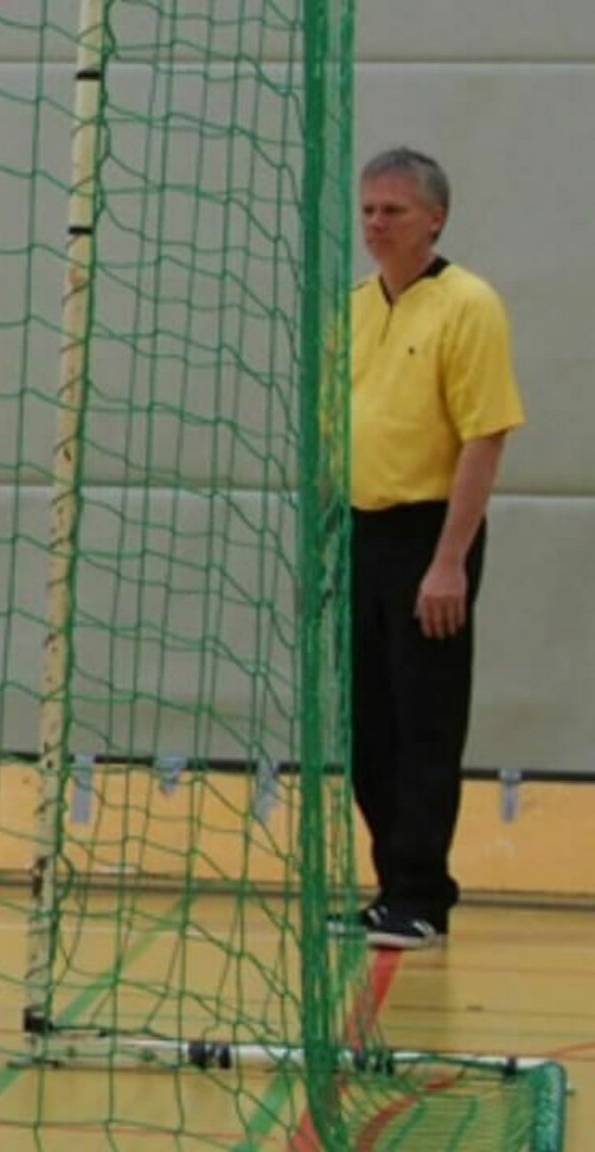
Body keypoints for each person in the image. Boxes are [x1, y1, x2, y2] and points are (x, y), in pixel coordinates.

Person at [348, 147, 523, 950]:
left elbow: (484, 436)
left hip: (430, 534)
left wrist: (448, 560)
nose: (377, 225)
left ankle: (423, 894)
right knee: (366, 725)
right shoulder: (355, 308)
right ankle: (392, 886)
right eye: (370, 211)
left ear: (434, 218)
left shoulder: (468, 304)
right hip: (361, 533)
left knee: (424, 719)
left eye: (394, 211)